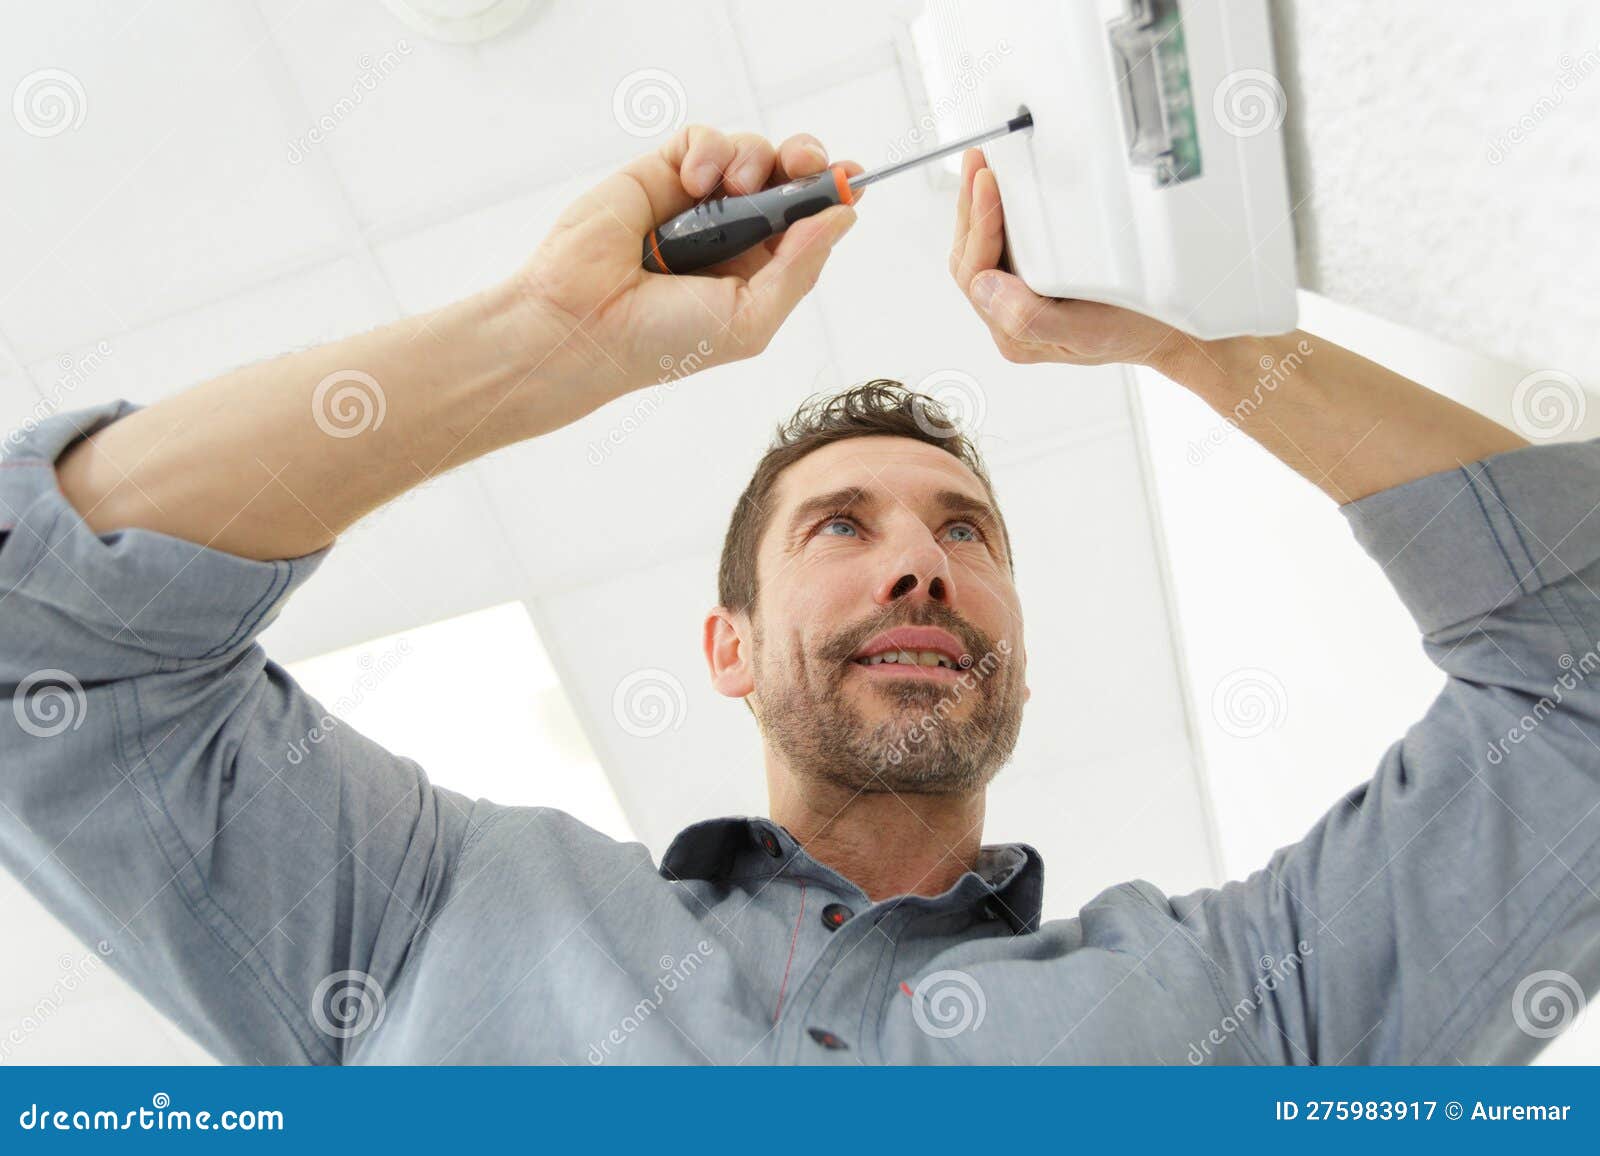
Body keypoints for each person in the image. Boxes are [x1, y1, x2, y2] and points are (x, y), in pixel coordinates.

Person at [1, 126, 1595, 1065]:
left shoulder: (1257, 1007)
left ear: (1017, 650)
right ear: (728, 645)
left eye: (967, 534)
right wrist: (541, 342)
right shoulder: (427, 918)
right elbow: (44, 639)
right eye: (842, 525)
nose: (921, 560)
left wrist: (1194, 341)